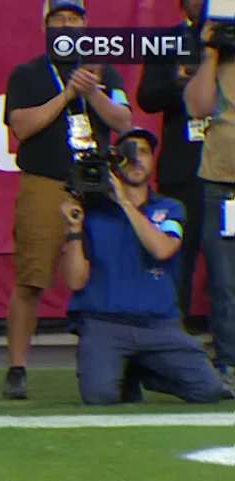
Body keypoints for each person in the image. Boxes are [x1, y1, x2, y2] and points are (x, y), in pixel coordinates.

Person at [2, 0, 131, 400]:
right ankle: (17, 367)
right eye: (59, 19)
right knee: (31, 277)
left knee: (106, 273)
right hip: (45, 181)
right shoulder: (28, 73)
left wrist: (91, 93)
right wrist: (66, 95)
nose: (67, 25)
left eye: (74, 19)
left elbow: (123, 122)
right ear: (46, 26)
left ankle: (113, 363)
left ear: (85, 25)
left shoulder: (103, 69)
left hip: (97, 185)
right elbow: (21, 126)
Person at [60, 129, 226, 405]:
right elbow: (75, 281)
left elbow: (162, 249)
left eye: (144, 153)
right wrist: (74, 230)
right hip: (105, 322)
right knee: (99, 396)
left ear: (153, 161)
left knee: (208, 390)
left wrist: (124, 202)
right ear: (115, 163)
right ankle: (123, 367)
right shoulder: (92, 211)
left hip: (158, 324)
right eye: (128, 154)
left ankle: (140, 369)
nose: (137, 160)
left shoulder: (170, 208)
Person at [138, 0, 207, 318]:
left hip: (227, 166)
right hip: (182, 168)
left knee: (227, 264)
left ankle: (228, 350)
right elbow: (147, 98)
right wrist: (178, 84)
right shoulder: (167, 42)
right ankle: (172, 339)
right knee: (179, 259)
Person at [184, 19, 235, 396]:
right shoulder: (216, 60)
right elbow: (197, 107)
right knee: (224, 283)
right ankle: (230, 363)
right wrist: (212, 52)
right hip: (223, 184)